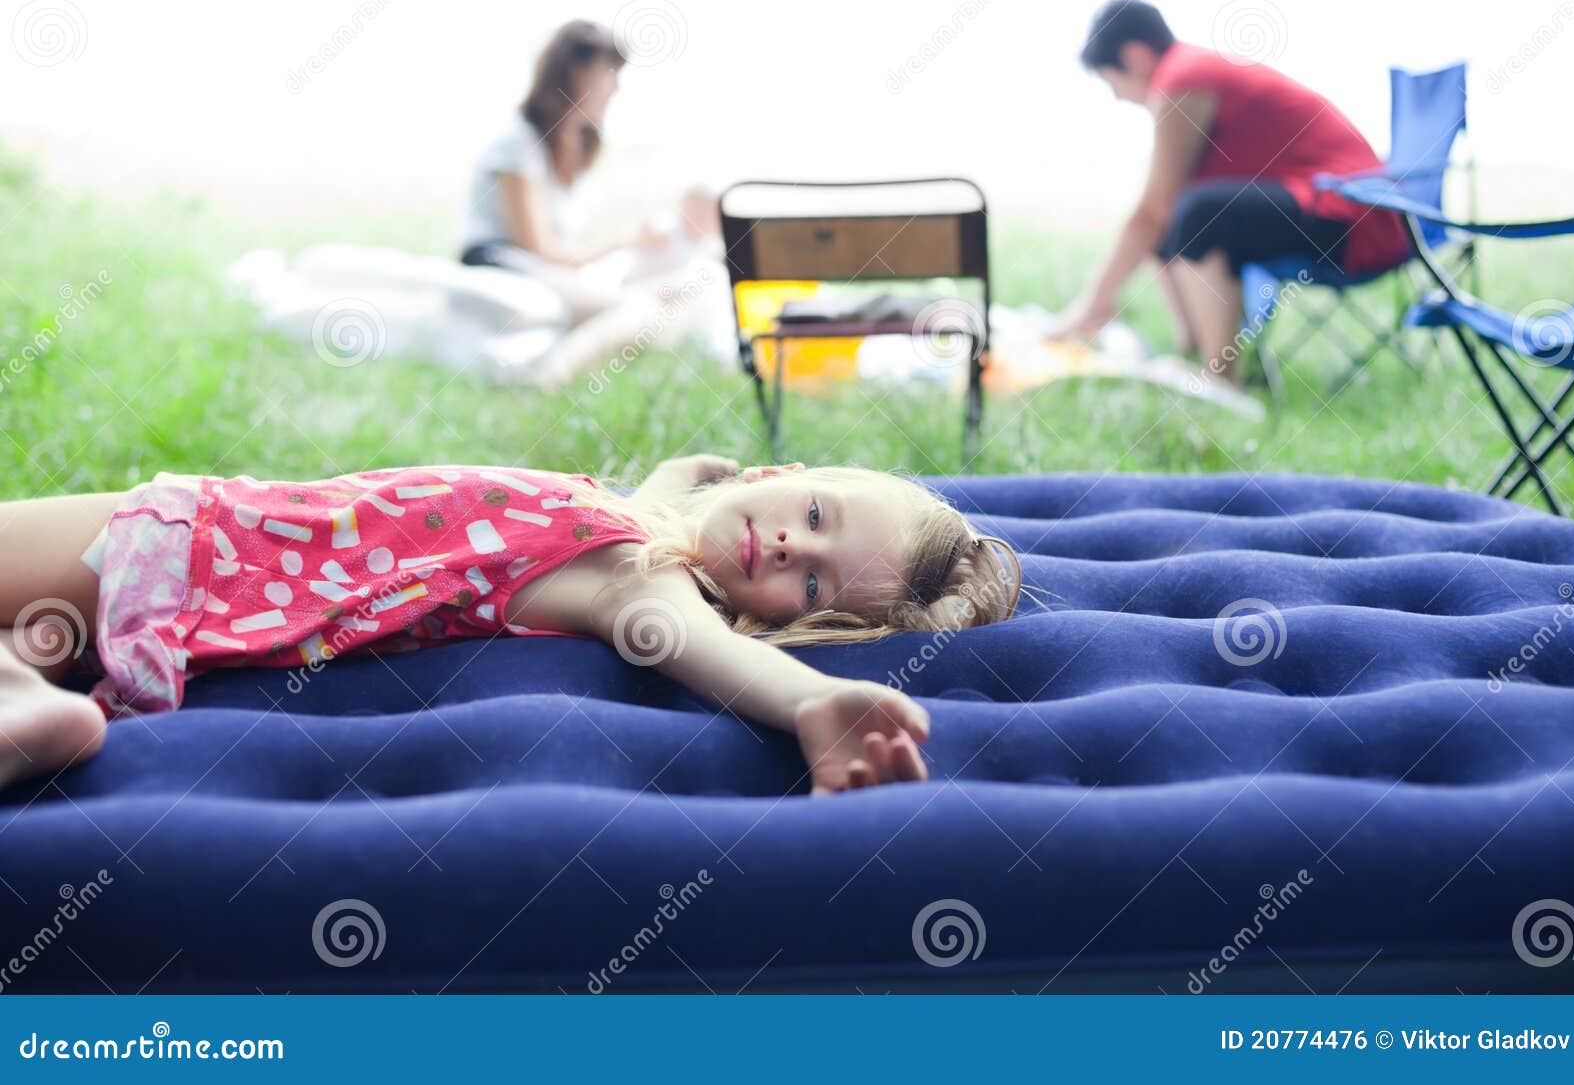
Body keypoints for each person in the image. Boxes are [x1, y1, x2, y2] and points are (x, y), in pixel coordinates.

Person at [0, 455, 1022, 796]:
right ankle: (33, 701)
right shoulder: (642, 516)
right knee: (34, 628)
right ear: (778, 474)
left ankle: (32, 698)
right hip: (194, 584)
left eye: (813, 588)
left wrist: (812, 699)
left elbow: (689, 641)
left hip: (193, 541)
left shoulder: (638, 578)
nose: (790, 549)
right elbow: (667, 487)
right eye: (812, 513)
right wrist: (694, 478)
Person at [1048, 0, 1410, 382]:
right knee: (1181, 216)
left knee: (1196, 213)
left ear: (1135, 57)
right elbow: (1157, 217)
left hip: (1360, 218)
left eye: (1112, 82)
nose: (1118, 96)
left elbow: (1153, 209)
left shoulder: (1183, 78)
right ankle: (1192, 350)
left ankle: (1220, 378)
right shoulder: (1191, 69)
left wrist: (1092, 305)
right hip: (1335, 210)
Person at [459, 20, 719, 322]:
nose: (617, 87)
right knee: (625, 305)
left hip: (543, 271)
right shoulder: (517, 145)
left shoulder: (573, 150)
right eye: (609, 73)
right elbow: (539, 249)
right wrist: (626, 241)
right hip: (500, 264)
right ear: (573, 74)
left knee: (645, 293)